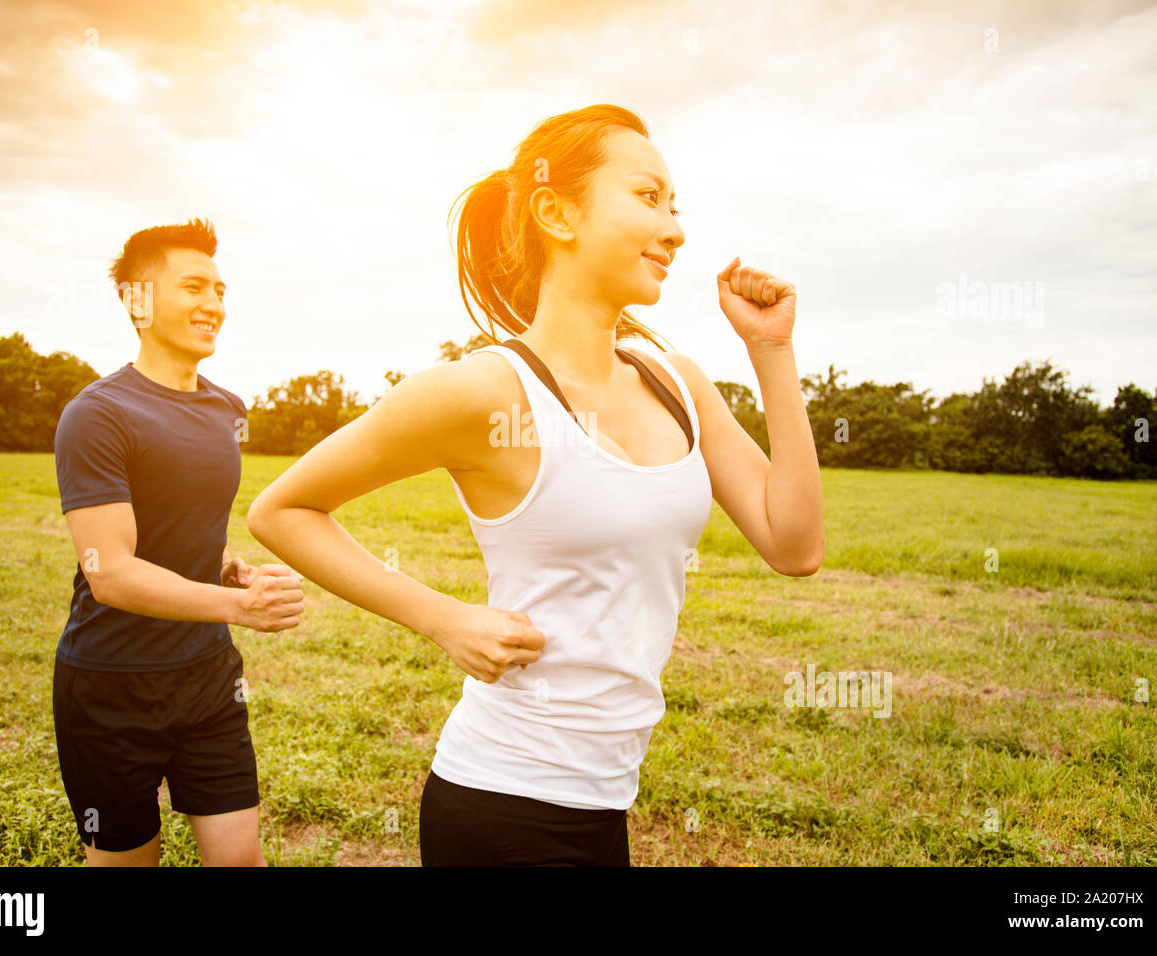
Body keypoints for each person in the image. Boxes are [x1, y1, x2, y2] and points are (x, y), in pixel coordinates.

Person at [246, 104, 824, 866]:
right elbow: (282, 509)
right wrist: (443, 618)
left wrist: (773, 351)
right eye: (648, 198)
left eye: (676, 206)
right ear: (556, 212)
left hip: (606, 803)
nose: (677, 229)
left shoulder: (677, 383)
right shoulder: (483, 393)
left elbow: (794, 544)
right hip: (502, 803)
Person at [52, 217, 305, 866]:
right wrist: (239, 610)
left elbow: (189, 535)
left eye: (221, 291)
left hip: (209, 679)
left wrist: (230, 572)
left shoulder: (227, 410)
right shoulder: (97, 414)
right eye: (195, 287)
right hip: (111, 686)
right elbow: (108, 571)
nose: (214, 305)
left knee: (241, 861)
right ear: (138, 301)